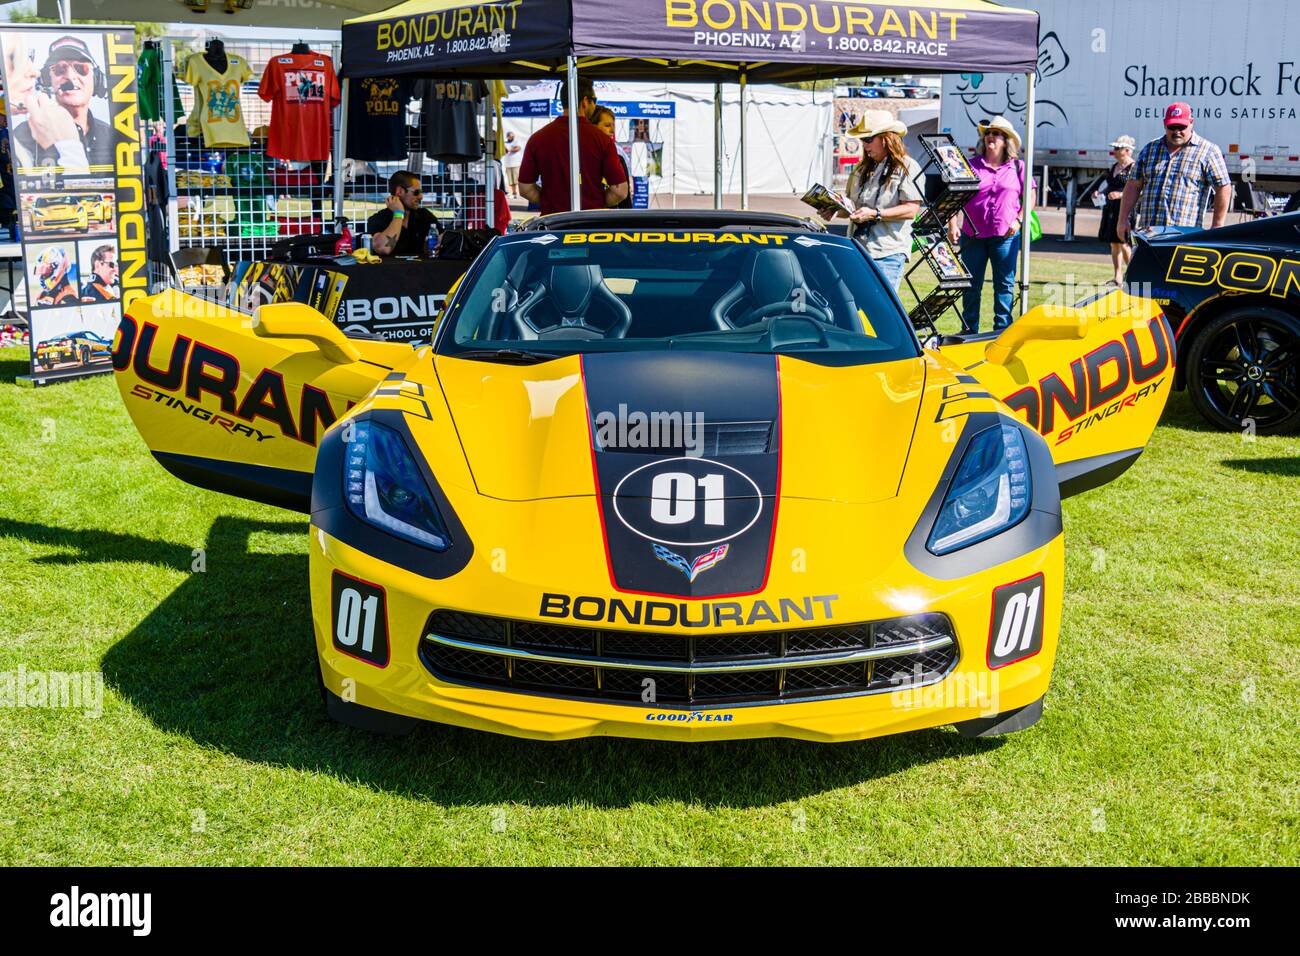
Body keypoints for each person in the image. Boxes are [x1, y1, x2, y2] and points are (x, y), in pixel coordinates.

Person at [947, 115, 1034, 332]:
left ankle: (1001, 330)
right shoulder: (969, 165)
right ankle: (968, 330)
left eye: (996, 134)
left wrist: (1020, 219)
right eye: (988, 134)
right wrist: (952, 224)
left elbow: (1030, 195)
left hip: (1005, 236)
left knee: (1004, 285)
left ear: (1006, 141)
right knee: (970, 285)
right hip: (972, 236)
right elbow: (954, 196)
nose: (990, 137)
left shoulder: (1018, 167)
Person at [820, 110, 922, 291]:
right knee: (854, 309)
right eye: (862, 139)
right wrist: (836, 209)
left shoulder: (907, 166)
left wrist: (876, 214)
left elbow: (911, 210)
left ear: (886, 138)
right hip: (858, 250)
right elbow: (853, 208)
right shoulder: (861, 168)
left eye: (868, 139)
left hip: (887, 253)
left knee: (880, 313)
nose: (864, 144)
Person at [1116, 102, 1231, 242]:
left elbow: (1223, 187)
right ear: (1165, 124)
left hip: (1185, 237)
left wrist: (1217, 226)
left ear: (1191, 122)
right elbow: (1133, 185)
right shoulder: (1150, 149)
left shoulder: (1208, 151)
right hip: (1148, 235)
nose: (1177, 131)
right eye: (1172, 127)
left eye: (1181, 127)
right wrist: (1122, 220)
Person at [517, 77, 627, 215]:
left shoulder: (537, 139)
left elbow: (525, 188)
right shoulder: (602, 140)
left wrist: (550, 201)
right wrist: (595, 202)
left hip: (553, 223)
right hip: (590, 224)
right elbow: (620, 191)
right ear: (585, 102)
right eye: (595, 101)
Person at [5, 35, 115, 173]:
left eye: (81, 69)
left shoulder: (113, 136)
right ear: (46, 80)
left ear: (97, 79)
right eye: (59, 70)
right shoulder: (21, 135)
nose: (70, 76)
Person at [1091, 135, 1137, 285]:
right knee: (1113, 243)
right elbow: (1109, 186)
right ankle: (1117, 276)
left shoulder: (1135, 167)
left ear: (1128, 151)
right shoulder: (1114, 167)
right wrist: (1100, 193)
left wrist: (1121, 194)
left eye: (1118, 148)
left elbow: (1140, 191)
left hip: (1126, 208)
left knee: (1124, 243)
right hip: (1111, 208)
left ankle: (1132, 276)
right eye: (1114, 148)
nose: (1115, 151)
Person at [367, 170, 437, 257]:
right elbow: (384, 248)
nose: (421, 196)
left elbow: (443, 239)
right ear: (400, 191)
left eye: (421, 192)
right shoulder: (378, 219)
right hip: (390, 270)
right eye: (416, 192)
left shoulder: (424, 215)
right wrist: (398, 214)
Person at [591, 106, 632, 210]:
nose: (612, 130)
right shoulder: (578, 160)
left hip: (609, 222)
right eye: (607, 125)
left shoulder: (619, 158)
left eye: (614, 125)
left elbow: (625, 202)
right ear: (592, 127)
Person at [502, 130, 524, 198]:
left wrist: (509, 150)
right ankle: (512, 193)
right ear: (508, 137)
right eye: (510, 136)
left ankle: (516, 193)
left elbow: (518, 148)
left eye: (512, 136)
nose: (511, 137)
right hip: (508, 164)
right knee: (510, 180)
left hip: (516, 164)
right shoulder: (505, 143)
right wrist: (511, 149)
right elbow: (504, 150)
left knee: (516, 180)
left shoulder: (517, 141)